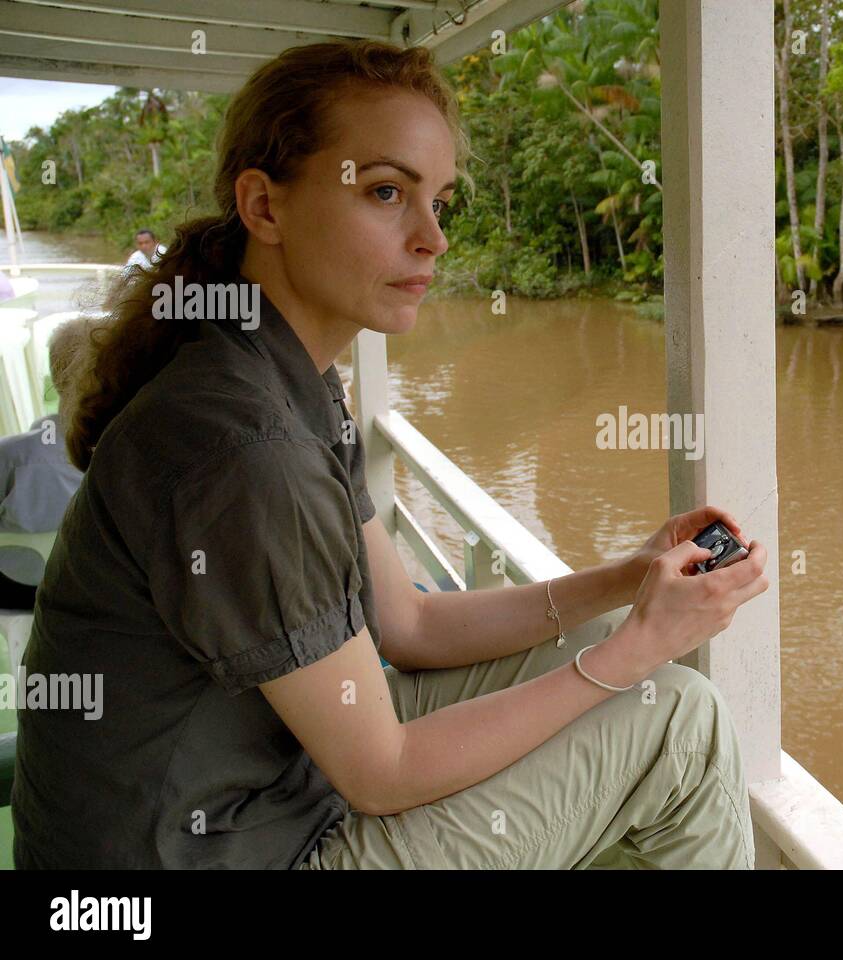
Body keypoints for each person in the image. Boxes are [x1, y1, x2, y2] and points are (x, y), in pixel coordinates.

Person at [13, 38, 769, 870]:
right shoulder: (241, 445)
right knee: (676, 720)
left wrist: (626, 578)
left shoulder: (285, 375)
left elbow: (409, 623)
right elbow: (381, 772)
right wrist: (637, 648)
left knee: (642, 677)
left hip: (266, 784)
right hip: (196, 857)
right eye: (385, 192)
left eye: (440, 202)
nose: (433, 240)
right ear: (265, 207)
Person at [0, 317, 88, 609]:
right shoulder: (130, 453)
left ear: (56, 375)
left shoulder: (12, 455)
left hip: (14, 587)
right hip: (89, 591)